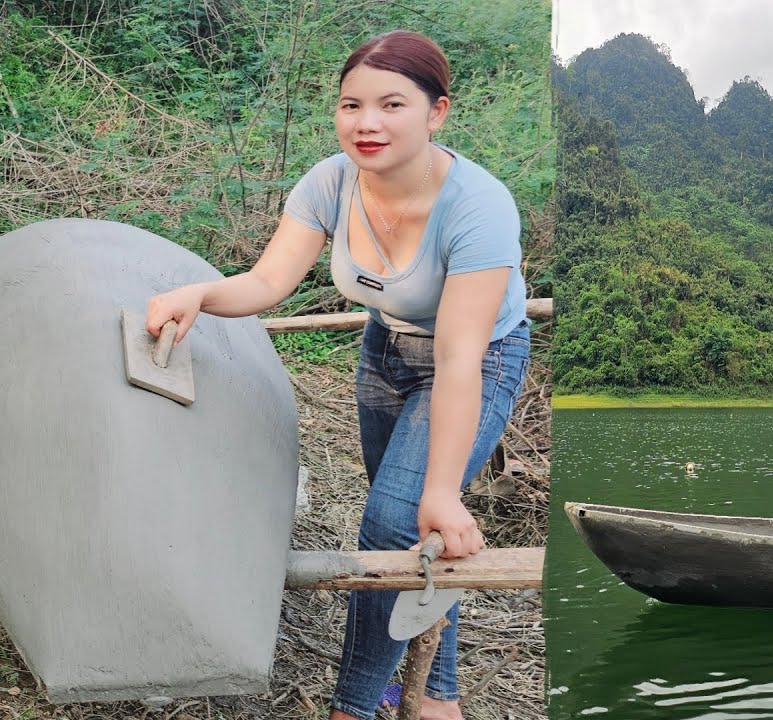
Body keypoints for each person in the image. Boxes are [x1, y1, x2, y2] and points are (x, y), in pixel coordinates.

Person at [145, 30, 529, 720]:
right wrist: (200, 294)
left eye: (391, 104)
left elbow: (459, 356)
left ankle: (351, 708)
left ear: (437, 112)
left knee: (392, 523)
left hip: (476, 361)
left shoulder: (480, 207)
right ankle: (438, 697)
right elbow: (267, 280)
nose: (367, 123)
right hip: (384, 353)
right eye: (351, 105)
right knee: (411, 532)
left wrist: (444, 489)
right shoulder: (330, 181)